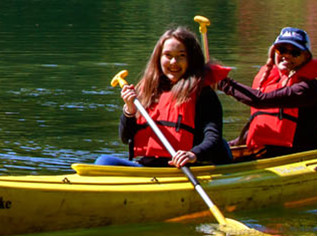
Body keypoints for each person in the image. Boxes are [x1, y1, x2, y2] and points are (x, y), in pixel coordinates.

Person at [93, 26, 232, 168]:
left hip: (186, 166)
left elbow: (213, 137)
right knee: (103, 162)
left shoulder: (203, 94)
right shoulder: (147, 90)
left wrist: (193, 154)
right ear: (159, 58)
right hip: (150, 166)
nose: (173, 62)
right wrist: (129, 110)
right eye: (168, 55)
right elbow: (125, 137)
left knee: (222, 146)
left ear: (191, 59)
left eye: (181, 56)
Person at [214, 26, 317, 159]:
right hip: (268, 153)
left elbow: (260, 101)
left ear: (306, 57)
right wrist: (228, 146)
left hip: (298, 155)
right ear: (274, 52)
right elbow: (256, 122)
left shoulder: (307, 88)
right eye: (282, 50)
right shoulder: (270, 83)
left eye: (295, 52)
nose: (286, 56)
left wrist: (221, 81)